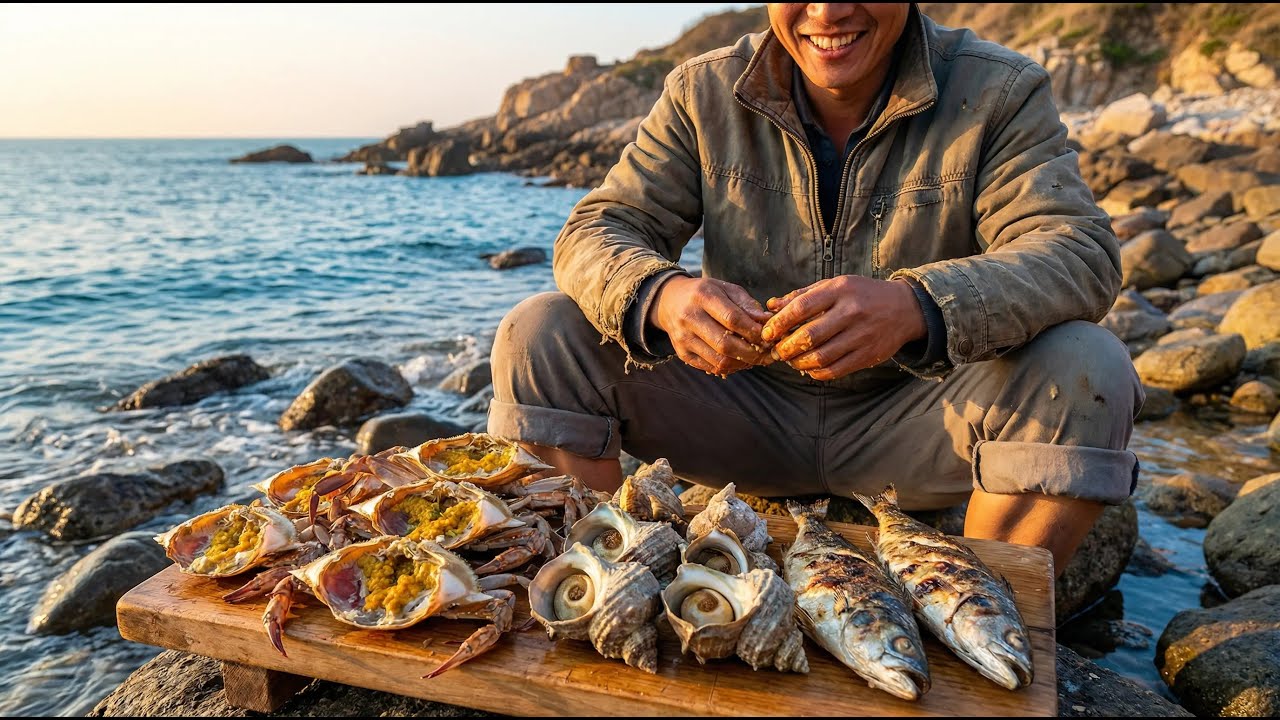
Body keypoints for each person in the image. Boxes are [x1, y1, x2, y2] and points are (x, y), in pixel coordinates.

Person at [487, 3, 1143, 574]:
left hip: (919, 421)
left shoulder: (998, 89)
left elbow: (1077, 251)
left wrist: (919, 305)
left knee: (1088, 366)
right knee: (539, 334)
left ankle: (982, 610)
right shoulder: (701, 90)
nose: (828, 12)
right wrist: (662, 296)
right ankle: (589, 582)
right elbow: (598, 229)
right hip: (737, 413)